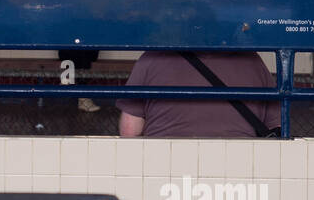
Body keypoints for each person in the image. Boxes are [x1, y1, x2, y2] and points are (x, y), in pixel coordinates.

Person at [116, 50, 280, 138]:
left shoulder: (152, 58)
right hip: (238, 172)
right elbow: (277, 126)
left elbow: (129, 131)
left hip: (164, 163)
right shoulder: (252, 60)